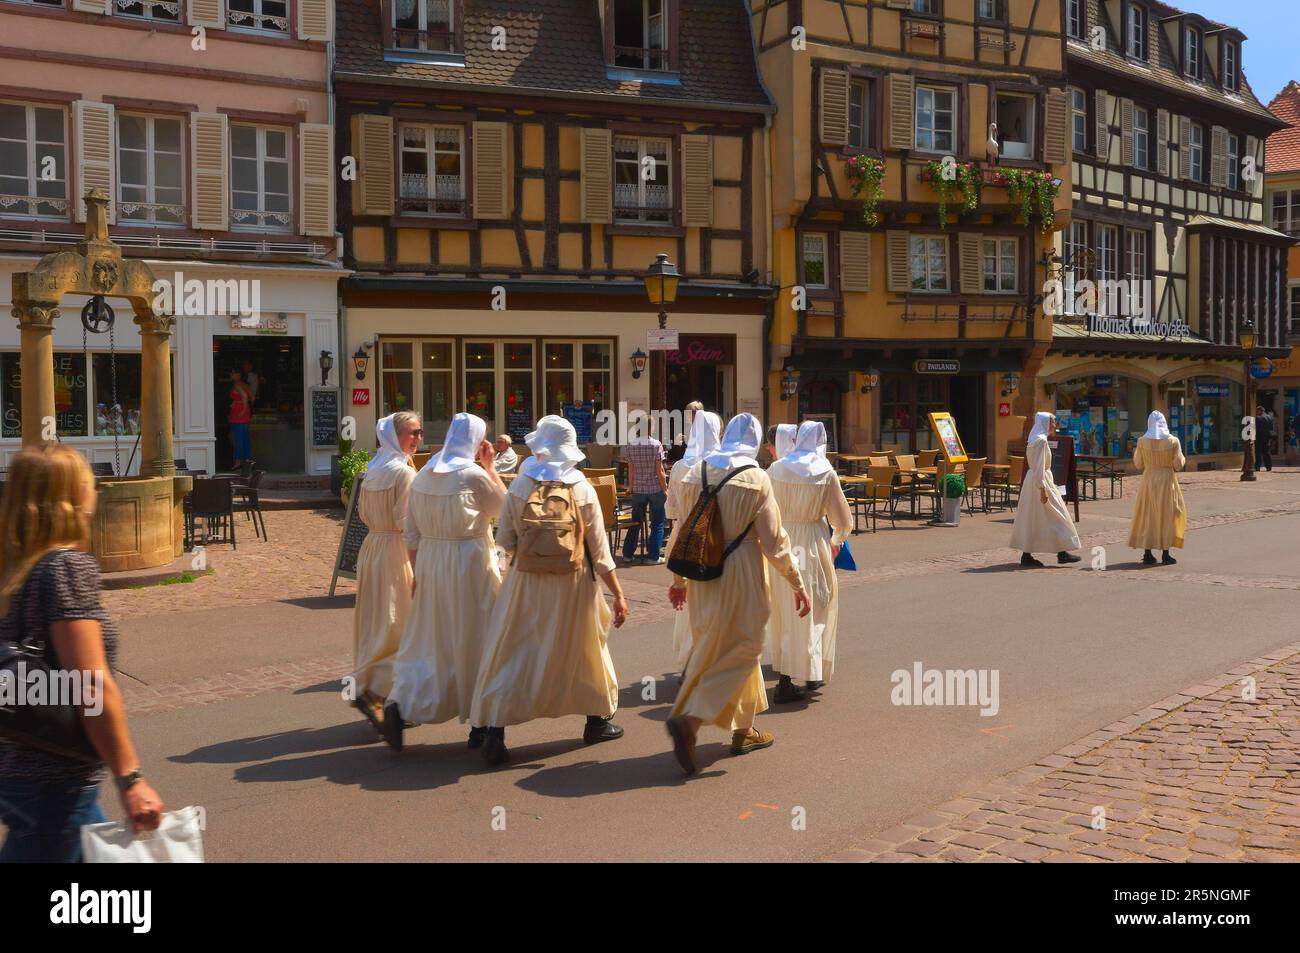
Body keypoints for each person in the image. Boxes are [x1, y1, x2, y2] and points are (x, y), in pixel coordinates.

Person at [0, 446, 164, 862]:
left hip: (19, 770)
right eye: (90, 482)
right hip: (56, 781)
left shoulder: (13, 570)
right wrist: (131, 778)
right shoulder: (66, 568)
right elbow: (90, 683)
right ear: (71, 496)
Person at [470, 415, 630, 765]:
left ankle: (495, 730)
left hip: (526, 581)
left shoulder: (521, 484)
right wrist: (617, 594)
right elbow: (600, 551)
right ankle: (596, 720)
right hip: (574, 583)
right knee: (586, 649)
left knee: (513, 650)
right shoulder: (582, 487)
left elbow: (505, 540)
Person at [664, 414, 811, 775]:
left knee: (710, 644)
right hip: (742, 567)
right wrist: (796, 582)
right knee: (743, 648)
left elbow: (685, 529)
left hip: (701, 570)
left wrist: (679, 580)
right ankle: (696, 719)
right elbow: (774, 542)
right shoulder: (756, 477)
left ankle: (741, 728)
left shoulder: (695, 471)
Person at [382, 413, 506, 751]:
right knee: (482, 640)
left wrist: (417, 574)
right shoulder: (472, 476)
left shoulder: (422, 476)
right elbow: (503, 510)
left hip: (433, 564)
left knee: (431, 642)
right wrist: (491, 467)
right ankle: (486, 725)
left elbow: (411, 533)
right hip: (470, 563)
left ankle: (402, 701)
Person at [765, 420, 852, 702]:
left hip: (783, 541)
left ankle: (786, 677)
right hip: (814, 541)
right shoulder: (825, 472)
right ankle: (813, 670)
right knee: (817, 605)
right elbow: (843, 520)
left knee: (784, 608)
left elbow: (763, 508)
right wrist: (837, 540)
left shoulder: (776, 469)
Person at [351, 411, 421, 734]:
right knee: (399, 623)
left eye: (419, 433)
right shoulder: (403, 473)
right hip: (395, 550)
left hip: (373, 548)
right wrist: (418, 567)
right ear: (396, 436)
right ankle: (385, 697)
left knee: (375, 620)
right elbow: (406, 523)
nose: (418, 439)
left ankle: (380, 692)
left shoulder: (374, 469)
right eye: (412, 433)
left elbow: (363, 513)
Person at [664, 408, 722, 672]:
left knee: (687, 599)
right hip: (713, 538)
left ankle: (689, 657)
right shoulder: (722, 466)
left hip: (684, 535)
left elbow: (671, 509)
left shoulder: (679, 467)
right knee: (712, 598)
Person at [1010, 412, 1082, 567]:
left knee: (1033, 517)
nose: (1055, 425)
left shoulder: (1033, 439)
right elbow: (1039, 466)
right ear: (1045, 423)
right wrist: (1042, 489)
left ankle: (1048, 553)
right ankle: (1057, 553)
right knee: (1058, 515)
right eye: (1053, 422)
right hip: (1041, 481)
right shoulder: (1041, 441)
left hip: (1034, 480)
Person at [1128, 410, 1187, 566]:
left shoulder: (1141, 441)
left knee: (1148, 513)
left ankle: (1147, 552)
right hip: (1167, 479)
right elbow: (1178, 465)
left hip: (1149, 479)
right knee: (1168, 513)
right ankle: (1166, 553)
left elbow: (1138, 463)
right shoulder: (1173, 441)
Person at [621, 419, 668, 564]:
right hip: (654, 488)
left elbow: (631, 469)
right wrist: (665, 488)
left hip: (639, 489)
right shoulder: (656, 445)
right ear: (650, 428)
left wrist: (630, 486)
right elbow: (659, 470)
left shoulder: (630, 446)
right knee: (657, 523)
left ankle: (627, 554)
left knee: (635, 522)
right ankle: (653, 556)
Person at [228, 369, 253, 469]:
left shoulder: (237, 385)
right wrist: (238, 402)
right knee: (245, 437)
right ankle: (247, 460)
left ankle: (238, 461)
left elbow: (245, 396)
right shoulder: (245, 384)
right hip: (245, 413)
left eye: (233, 373)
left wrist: (241, 408)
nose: (231, 375)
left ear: (238, 374)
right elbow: (252, 397)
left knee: (237, 438)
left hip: (239, 414)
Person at [1254, 406, 1273, 472]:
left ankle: (1257, 466)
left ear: (1260, 411)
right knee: (1266, 452)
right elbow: (1271, 427)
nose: (1256, 412)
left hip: (1259, 436)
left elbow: (1256, 428)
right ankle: (1268, 466)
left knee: (1258, 452)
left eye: (1257, 411)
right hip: (1267, 436)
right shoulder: (1269, 417)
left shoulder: (1258, 418)